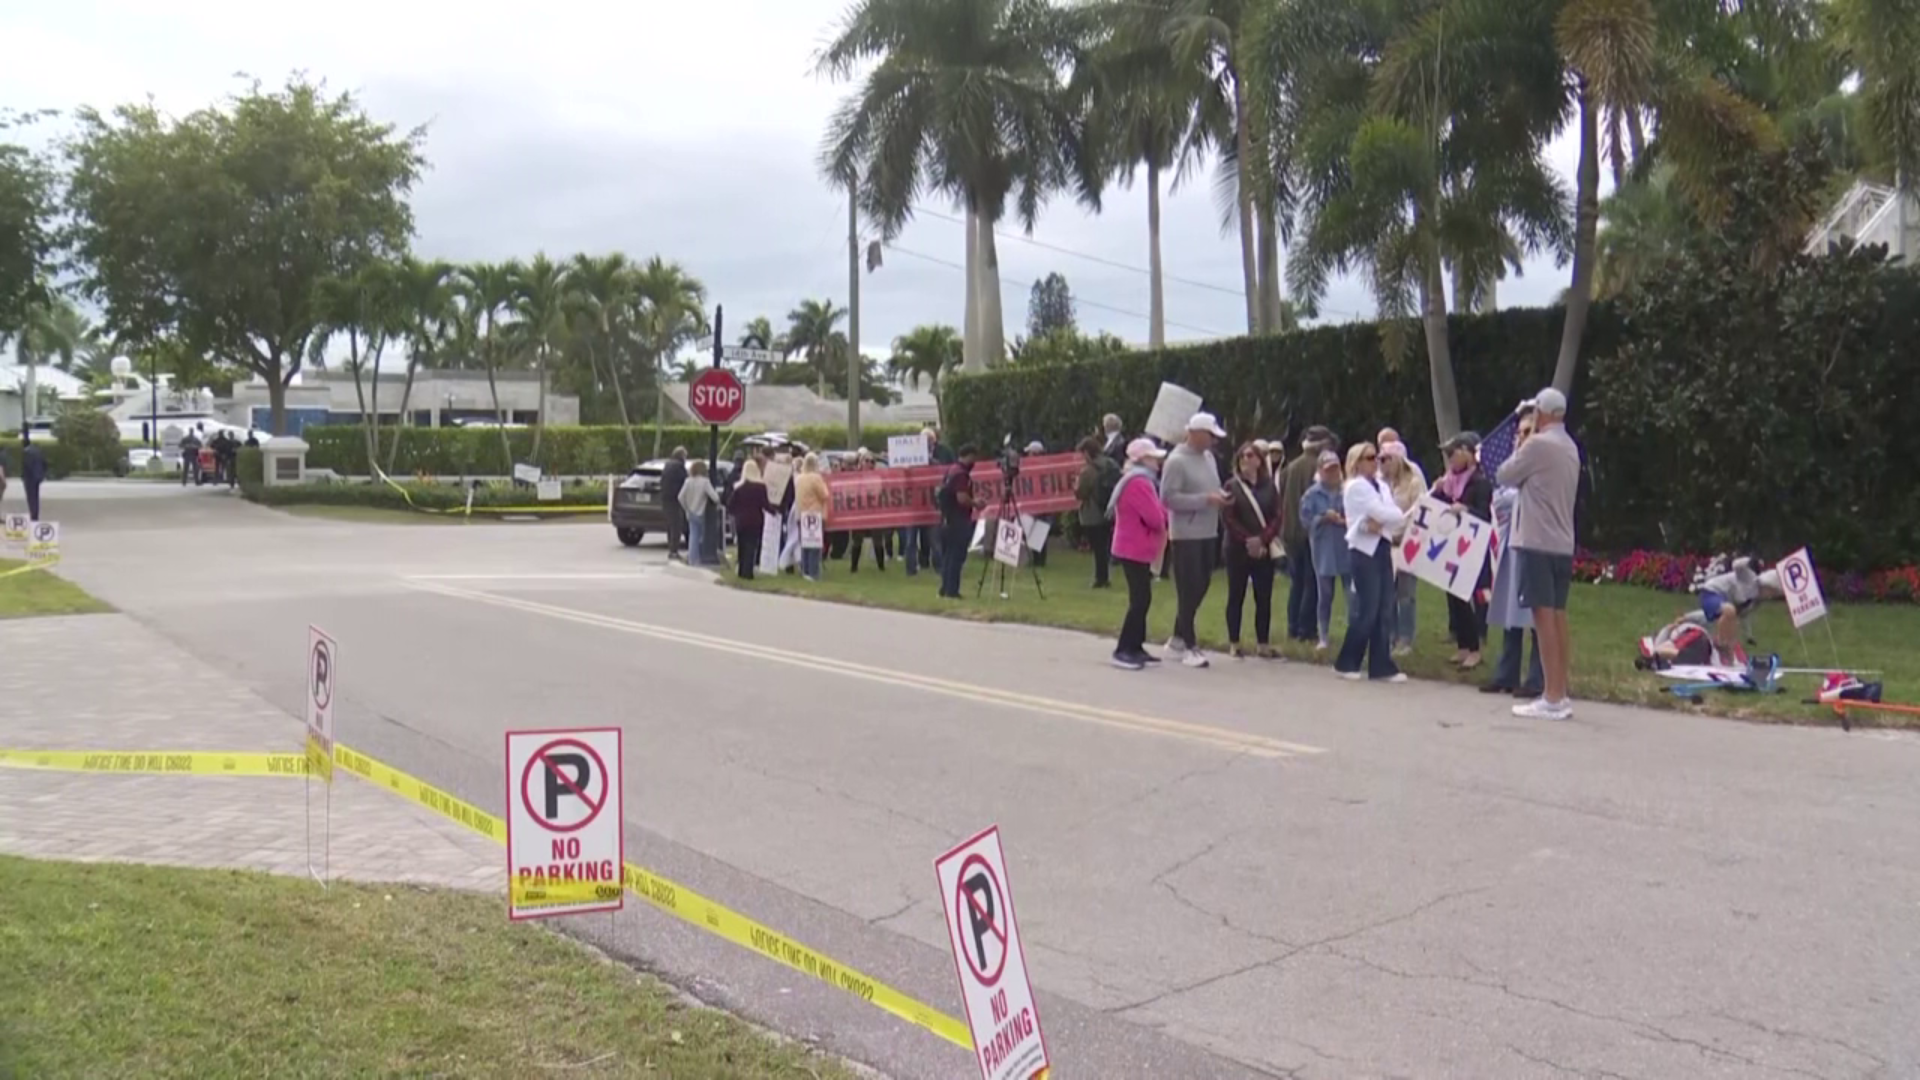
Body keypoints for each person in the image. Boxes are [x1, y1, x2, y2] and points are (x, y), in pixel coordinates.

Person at [1497, 388, 1582, 720]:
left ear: (1544, 414)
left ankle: (1552, 695)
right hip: (1561, 541)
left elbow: (1505, 474)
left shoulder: (1538, 444)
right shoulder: (1569, 446)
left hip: (1537, 540)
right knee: (1558, 615)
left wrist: (1524, 440)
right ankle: (1560, 688)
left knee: (1542, 617)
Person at [1160, 412, 1233, 669]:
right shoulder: (1176, 461)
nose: (1213, 441)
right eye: (1210, 435)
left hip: (1208, 530)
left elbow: (1210, 486)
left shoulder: (1209, 458)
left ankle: (1178, 637)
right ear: (1196, 434)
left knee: (1202, 584)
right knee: (1188, 588)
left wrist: (1220, 496)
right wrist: (1205, 500)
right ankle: (1190, 645)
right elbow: (1168, 499)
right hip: (1186, 533)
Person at [1482, 410, 1545, 698]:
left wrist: (1511, 497)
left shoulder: (1544, 463)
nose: (1521, 438)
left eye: (1528, 432)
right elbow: (1499, 498)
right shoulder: (1513, 465)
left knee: (1536, 614)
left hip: (1535, 544)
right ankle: (1506, 673)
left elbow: (1526, 498)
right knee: (1510, 612)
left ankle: (1536, 678)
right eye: (1519, 433)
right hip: (1511, 543)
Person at [1335, 442, 1408, 682]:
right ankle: (1347, 661)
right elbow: (1384, 513)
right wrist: (1380, 519)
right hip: (1363, 550)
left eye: (1376, 457)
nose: (1374, 461)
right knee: (1368, 607)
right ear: (1356, 462)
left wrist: (1382, 520)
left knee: (1385, 607)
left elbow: (1394, 516)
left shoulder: (1382, 486)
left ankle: (1381, 664)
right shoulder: (1356, 487)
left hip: (1382, 545)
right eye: (1368, 457)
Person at [1431, 432, 1495, 669]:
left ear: (1468, 453)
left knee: (1472, 596)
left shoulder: (1480, 483)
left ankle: (1476, 646)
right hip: (1452, 547)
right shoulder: (1449, 483)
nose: (1450, 460)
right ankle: (1463, 644)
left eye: (1453, 453)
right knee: (1454, 596)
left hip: (1473, 548)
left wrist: (1465, 509)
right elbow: (1440, 508)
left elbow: (1485, 515)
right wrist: (1438, 492)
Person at [1107, 438, 1171, 670]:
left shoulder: (1139, 481)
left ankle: (1136, 646)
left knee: (1143, 598)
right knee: (1140, 599)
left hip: (1135, 547)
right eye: (1153, 457)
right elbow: (1155, 516)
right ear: (1142, 459)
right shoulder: (1139, 483)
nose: (1158, 461)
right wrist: (1164, 516)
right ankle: (1124, 648)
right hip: (1133, 547)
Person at [1222, 441, 1283, 659]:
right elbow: (1228, 518)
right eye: (1242, 456)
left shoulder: (1269, 486)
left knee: (1264, 596)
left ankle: (1263, 643)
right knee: (1236, 594)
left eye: (1251, 455)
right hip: (1238, 549)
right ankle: (1234, 642)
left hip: (1264, 549)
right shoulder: (1231, 486)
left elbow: (1277, 515)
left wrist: (1263, 539)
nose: (1247, 460)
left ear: (1259, 459)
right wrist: (1249, 540)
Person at [1281, 426, 1333, 643]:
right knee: (1311, 582)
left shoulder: (1290, 467)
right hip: (1310, 532)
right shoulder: (1317, 468)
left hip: (1290, 531)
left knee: (1297, 582)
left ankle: (1293, 627)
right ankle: (1306, 629)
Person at [1299, 450, 1351, 652]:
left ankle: (1353, 634)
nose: (1332, 473)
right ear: (1320, 471)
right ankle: (1323, 636)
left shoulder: (1347, 490)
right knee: (1325, 594)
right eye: (1328, 469)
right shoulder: (1311, 495)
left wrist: (1344, 520)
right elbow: (1305, 521)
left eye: (1335, 468)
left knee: (1351, 594)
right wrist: (1322, 518)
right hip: (1323, 549)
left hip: (1346, 546)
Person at [1377, 441, 1425, 656]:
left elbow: (1420, 511)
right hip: (1387, 542)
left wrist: (1404, 531)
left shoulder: (1414, 482)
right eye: (1380, 459)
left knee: (1405, 593)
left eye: (1386, 459)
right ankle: (1390, 635)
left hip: (1407, 542)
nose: (1382, 464)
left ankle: (1406, 638)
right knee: (1388, 592)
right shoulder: (1381, 485)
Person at [1075, 436, 1120, 588]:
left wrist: (1076, 485)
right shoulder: (1110, 464)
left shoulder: (1088, 471)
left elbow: (1080, 493)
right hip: (1109, 510)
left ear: (1087, 453)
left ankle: (1101, 578)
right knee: (1105, 546)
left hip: (1092, 513)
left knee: (1098, 548)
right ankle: (1105, 576)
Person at [935, 446, 978, 599]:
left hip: (946, 518)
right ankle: (952, 591)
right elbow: (962, 498)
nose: (974, 462)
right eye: (974, 458)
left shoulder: (950, 470)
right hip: (957, 519)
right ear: (969, 456)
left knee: (947, 556)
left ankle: (944, 588)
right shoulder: (961, 475)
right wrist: (976, 503)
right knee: (956, 556)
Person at [727, 460, 771, 580]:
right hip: (756, 519)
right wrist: (774, 511)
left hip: (741, 520)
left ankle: (741, 570)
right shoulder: (761, 487)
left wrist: (737, 512)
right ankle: (748, 571)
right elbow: (765, 504)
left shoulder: (739, 487)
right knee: (751, 546)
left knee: (742, 545)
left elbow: (730, 505)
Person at [848, 451, 889, 574]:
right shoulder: (855, 477)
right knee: (857, 539)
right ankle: (853, 567)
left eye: (872, 461)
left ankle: (881, 567)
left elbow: (880, 492)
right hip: (859, 512)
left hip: (874, 511)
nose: (870, 464)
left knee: (877, 539)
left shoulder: (877, 477)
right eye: (867, 461)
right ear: (861, 463)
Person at [794, 453, 831, 581]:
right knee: (815, 545)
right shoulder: (816, 478)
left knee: (805, 544)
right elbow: (824, 495)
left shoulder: (799, 478)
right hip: (814, 514)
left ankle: (805, 571)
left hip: (801, 515)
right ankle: (813, 573)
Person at [679, 459, 721, 567]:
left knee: (693, 535)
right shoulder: (705, 482)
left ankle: (693, 558)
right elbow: (715, 497)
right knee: (699, 536)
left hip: (690, 512)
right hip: (700, 511)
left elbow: (680, 497)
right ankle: (696, 558)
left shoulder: (688, 481)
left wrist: (686, 507)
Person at [661, 447, 690, 561]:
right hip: (675, 499)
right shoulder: (679, 467)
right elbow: (685, 481)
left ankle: (671, 549)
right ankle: (674, 551)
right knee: (676, 526)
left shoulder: (667, 466)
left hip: (666, 499)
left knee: (670, 525)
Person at [21, 435, 48, 521]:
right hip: (37, 477)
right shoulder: (37, 451)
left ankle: (33, 515)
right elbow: (44, 463)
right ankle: (35, 514)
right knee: (35, 496)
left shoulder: (27, 453)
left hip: (30, 478)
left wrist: (23, 476)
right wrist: (42, 473)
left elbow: (27, 466)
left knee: (31, 497)